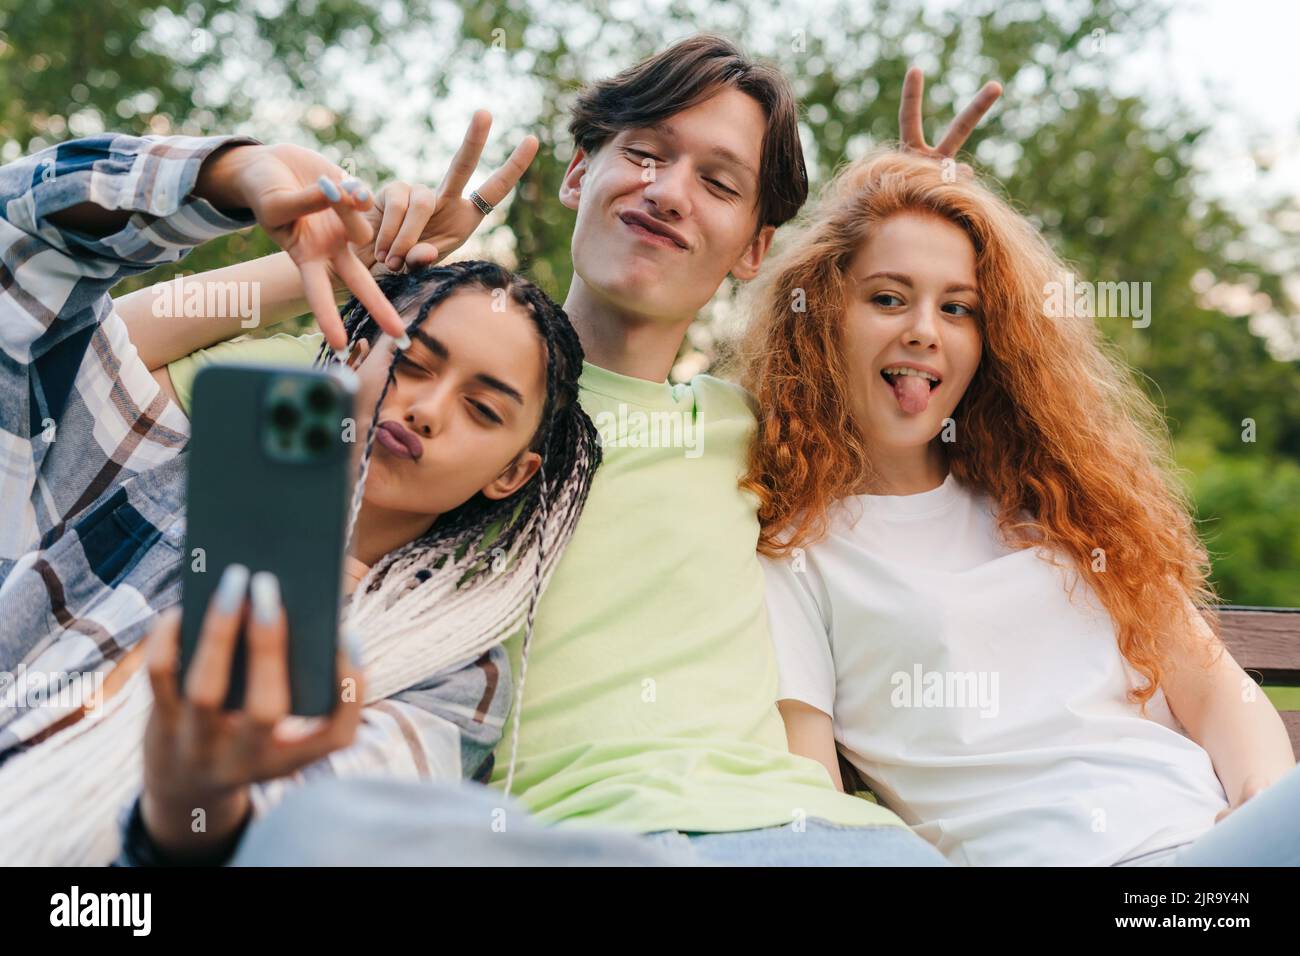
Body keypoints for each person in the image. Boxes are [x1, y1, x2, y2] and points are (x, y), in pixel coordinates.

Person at [118, 36, 998, 865]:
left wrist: (906, 211)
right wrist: (369, 263)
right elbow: (111, 353)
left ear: (754, 251)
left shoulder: (754, 430)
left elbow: (918, 389)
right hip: (542, 837)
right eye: (647, 152)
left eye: (720, 184)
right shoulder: (394, 385)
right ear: (581, 171)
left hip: (805, 836)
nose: (668, 192)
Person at [0, 131, 602, 864]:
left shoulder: (451, 676)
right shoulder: (152, 476)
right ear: (355, 354)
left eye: (483, 410)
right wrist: (228, 176)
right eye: (412, 360)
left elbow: (317, 843)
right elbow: (25, 262)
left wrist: (196, 801)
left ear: (510, 473)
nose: (427, 411)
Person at [740, 147, 1300, 866]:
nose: (924, 329)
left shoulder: (1061, 503)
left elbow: (1221, 695)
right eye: (887, 298)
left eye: (957, 308)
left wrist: (1260, 806)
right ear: (822, 318)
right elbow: (815, 801)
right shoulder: (796, 556)